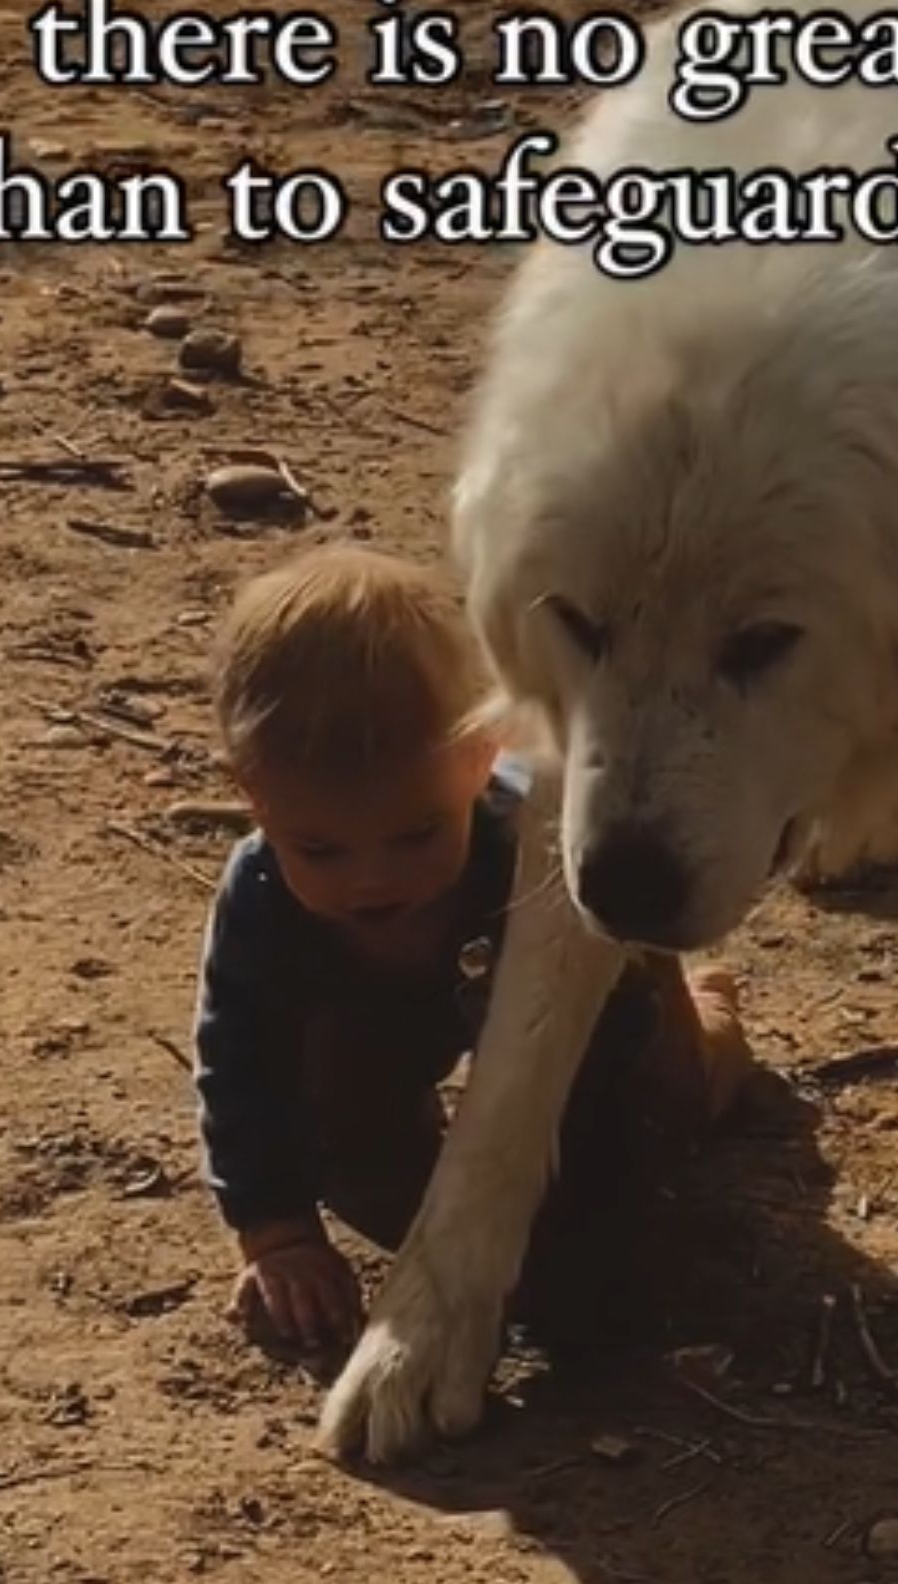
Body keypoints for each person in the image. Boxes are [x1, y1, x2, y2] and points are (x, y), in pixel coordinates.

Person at [191, 544, 753, 1353]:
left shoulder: (529, 854)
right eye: (321, 850)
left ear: (481, 755)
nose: (372, 879)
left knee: (672, 1095)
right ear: (252, 794)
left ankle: (712, 1020)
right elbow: (237, 1066)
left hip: (595, 1009)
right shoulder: (264, 900)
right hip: (384, 1031)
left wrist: (582, 1209)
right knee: (340, 1106)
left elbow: (603, 1046)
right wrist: (276, 1234)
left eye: (416, 834)